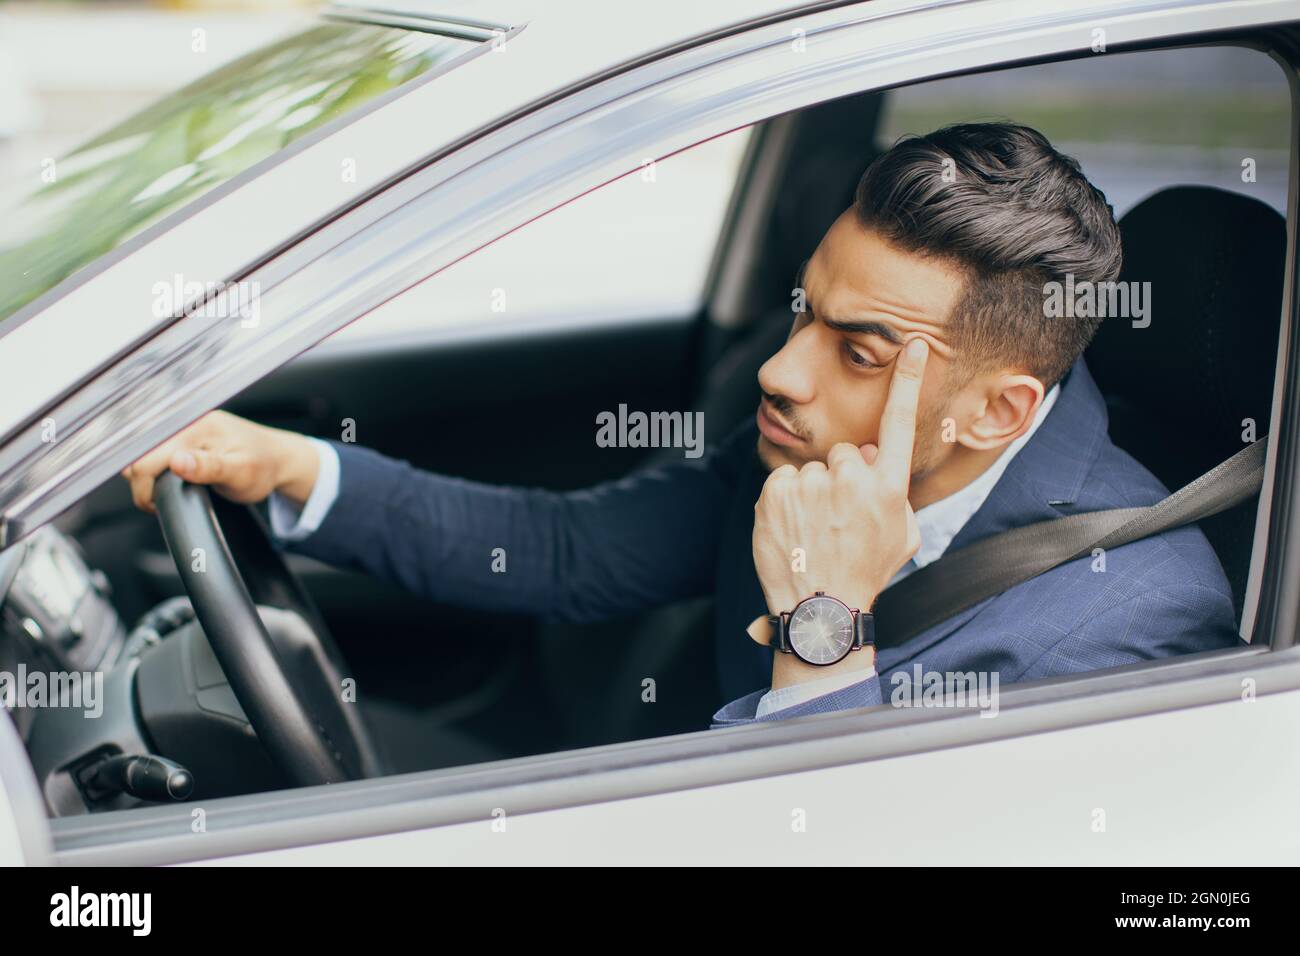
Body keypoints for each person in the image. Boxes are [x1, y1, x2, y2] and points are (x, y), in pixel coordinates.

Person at [123, 123, 1240, 728]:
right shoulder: (813, 452)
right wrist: (289, 465)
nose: (777, 370)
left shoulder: (1128, 627)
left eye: (856, 350)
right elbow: (561, 551)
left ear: (999, 410)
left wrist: (823, 622)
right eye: (804, 310)